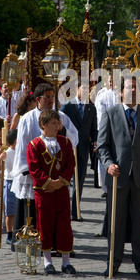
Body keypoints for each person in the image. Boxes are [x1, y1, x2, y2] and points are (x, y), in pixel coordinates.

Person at [97, 76, 140, 277]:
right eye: (129, 88)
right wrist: (108, 165)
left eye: (136, 89)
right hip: (118, 177)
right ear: (120, 91)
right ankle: (114, 261)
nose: (133, 92)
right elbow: (102, 146)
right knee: (116, 222)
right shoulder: (110, 113)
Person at [11, 83, 78, 236]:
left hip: (57, 173)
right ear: (38, 99)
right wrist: (26, 170)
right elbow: (22, 147)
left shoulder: (61, 117)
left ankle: (54, 242)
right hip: (35, 173)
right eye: (47, 97)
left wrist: (63, 130)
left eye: (52, 97)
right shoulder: (27, 118)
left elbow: (74, 139)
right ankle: (32, 240)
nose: (50, 100)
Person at [26, 109, 76, 275]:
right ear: (43, 125)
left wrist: (60, 182)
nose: (57, 126)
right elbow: (34, 168)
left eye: (58, 123)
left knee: (64, 224)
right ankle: (48, 261)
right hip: (44, 191)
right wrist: (49, 183)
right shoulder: (34, 145)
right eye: (53, 123)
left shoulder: (66, 143)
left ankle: (66, 261)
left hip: (61, 190)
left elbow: (70, 164)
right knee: (45, 224)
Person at [60, 78, 97, 221]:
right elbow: (60, 126)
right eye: (84, 88)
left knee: (79, 181)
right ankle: (63, 210)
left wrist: (95, 141)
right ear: (77, 89)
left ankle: (75, 211)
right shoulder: (67, 106)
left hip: (82, 150)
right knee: (64, 181)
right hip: (67, 150)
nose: (87, 92)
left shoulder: (91, 108)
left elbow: (93, 129)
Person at [0, 128, 17, 244]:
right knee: (10, 211)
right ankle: (9, 234)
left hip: (18, 181)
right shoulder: (7, 153)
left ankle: (17, 232)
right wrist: (0, 159)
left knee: (17, 210)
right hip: (9, 182)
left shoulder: (21, 152)